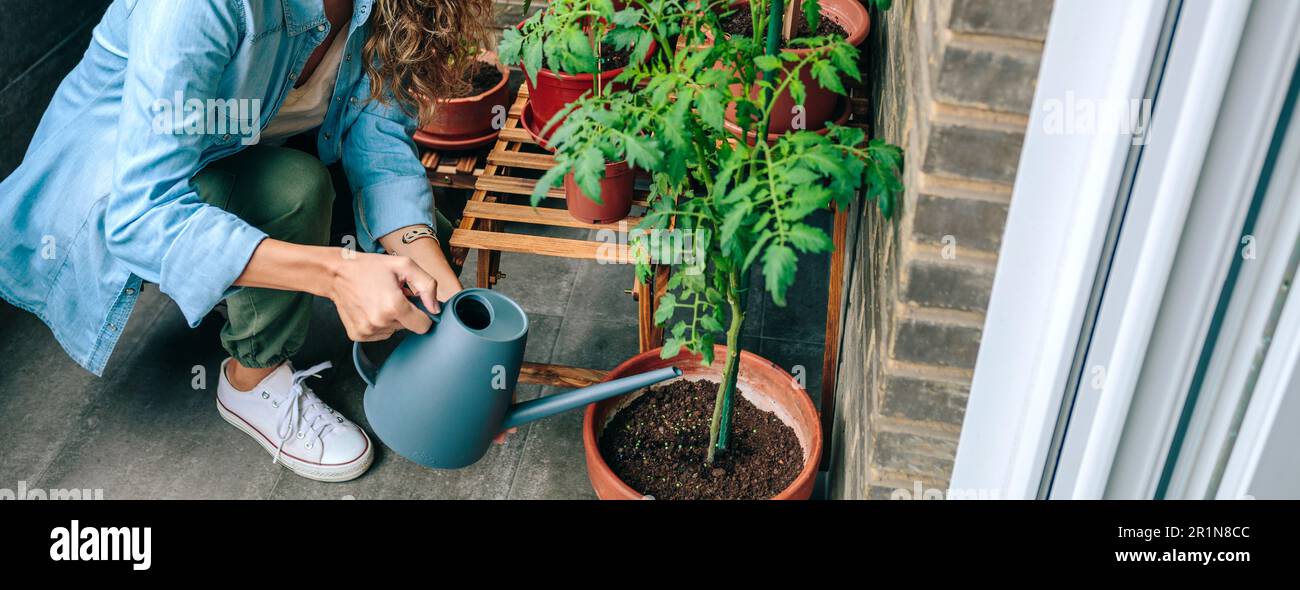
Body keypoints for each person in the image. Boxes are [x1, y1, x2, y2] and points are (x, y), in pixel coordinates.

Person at [0, 0, 498, 482]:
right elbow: (142, 215)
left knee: (427, 240)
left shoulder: (392, 5)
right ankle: (251, 381)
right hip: (126, 182)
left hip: (247, 139)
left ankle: (332, 315)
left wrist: (447, 304)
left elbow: (379, 137)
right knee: (296, 192)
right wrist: (336, 272)